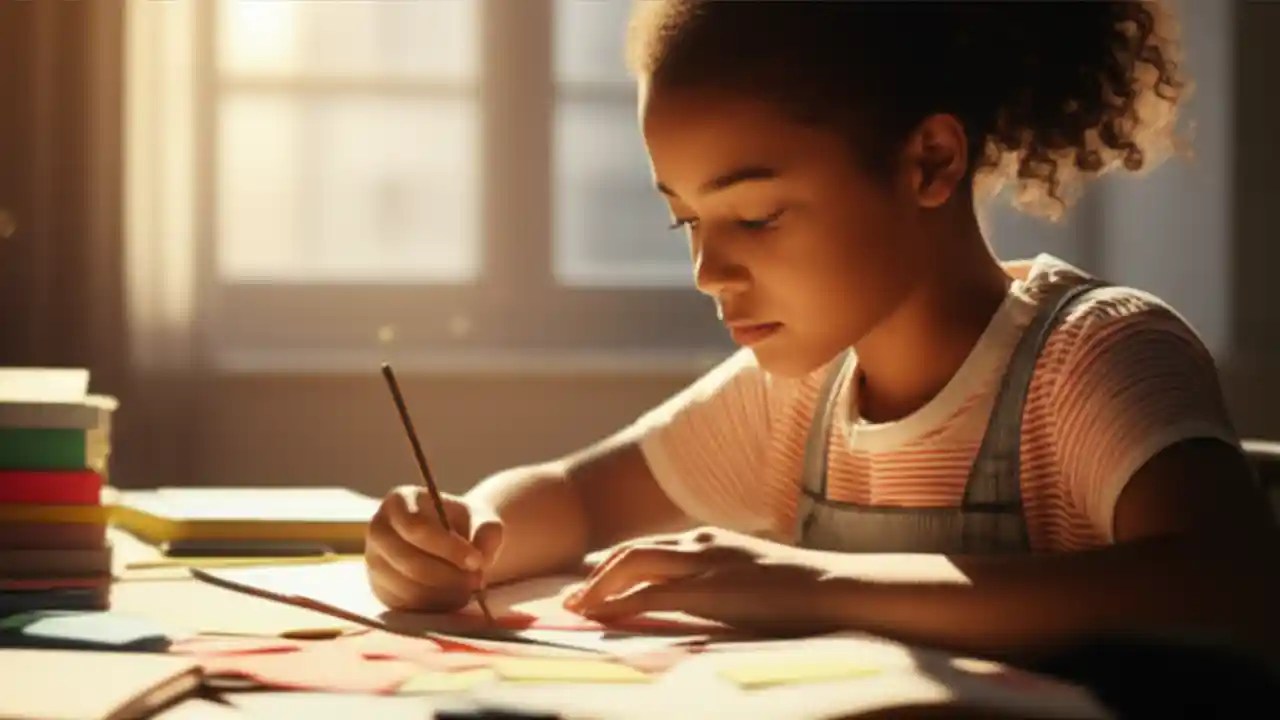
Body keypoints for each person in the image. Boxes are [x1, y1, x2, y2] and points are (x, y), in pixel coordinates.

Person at [365, 0, 1280, 664]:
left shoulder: (1090, 362)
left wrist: (808, 582)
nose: (708, 273)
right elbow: (578, 496)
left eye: (755, 217)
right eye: (688, 222)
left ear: (928, 161)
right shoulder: (798, 395)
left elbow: (1233, 585)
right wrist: (464, 532)